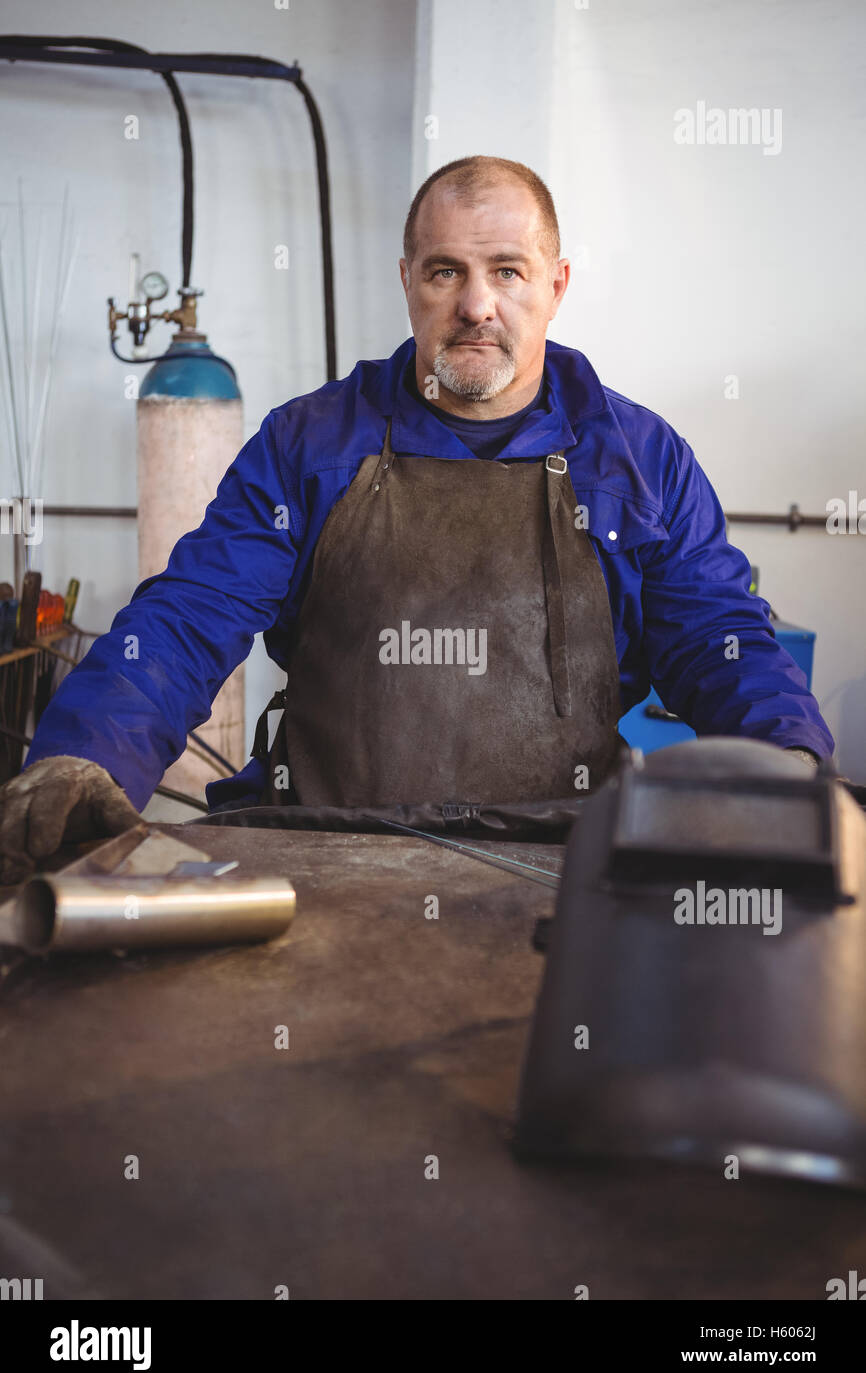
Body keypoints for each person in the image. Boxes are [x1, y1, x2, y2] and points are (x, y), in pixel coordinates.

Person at [0, 155, 832, 885]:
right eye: (445, 272)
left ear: (555, 285)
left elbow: (718, 637)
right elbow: (188, 617)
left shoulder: (640, 459)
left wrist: (788, 763)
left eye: (507, 270)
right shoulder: (310, 442)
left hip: (565, 864)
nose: (476, 305)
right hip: (324, 851)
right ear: (407, 282)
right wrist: (83, 758)